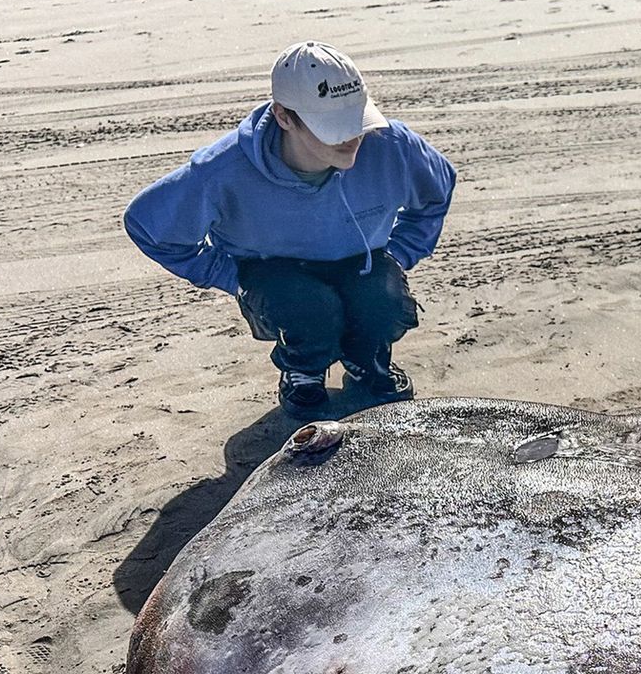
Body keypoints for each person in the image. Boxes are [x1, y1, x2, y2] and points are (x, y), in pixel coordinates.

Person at [124, 41, 456, 416]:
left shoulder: (392, 145)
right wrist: (232, 276)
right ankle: (303, 372)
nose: (352, 138)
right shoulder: (222, 170)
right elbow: (148, 226)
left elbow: (437, 190)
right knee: (310, 312)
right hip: (275, 273)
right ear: (284, 117)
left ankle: (367, 361)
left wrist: (401, 253)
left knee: (384, 302)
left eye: (357, 120)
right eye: (332, 127)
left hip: (362, 261)